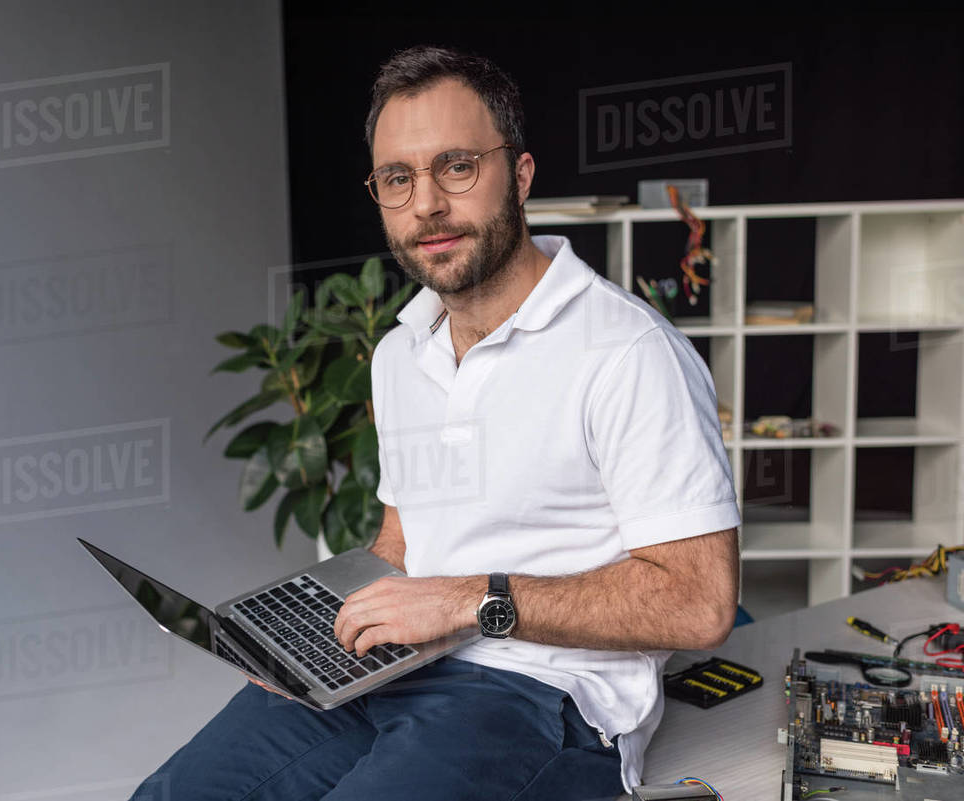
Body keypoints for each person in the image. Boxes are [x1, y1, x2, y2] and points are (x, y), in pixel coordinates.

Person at [132, 45, 741, 800]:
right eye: (398, 178)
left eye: (456, 166)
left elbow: (700, 600)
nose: (426, 204)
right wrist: (308, 636)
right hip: (391, 668)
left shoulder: (628, 352)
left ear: (519, 174)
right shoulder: (399, 353)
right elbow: (403, 538)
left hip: (540, 698)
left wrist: (467, 600)